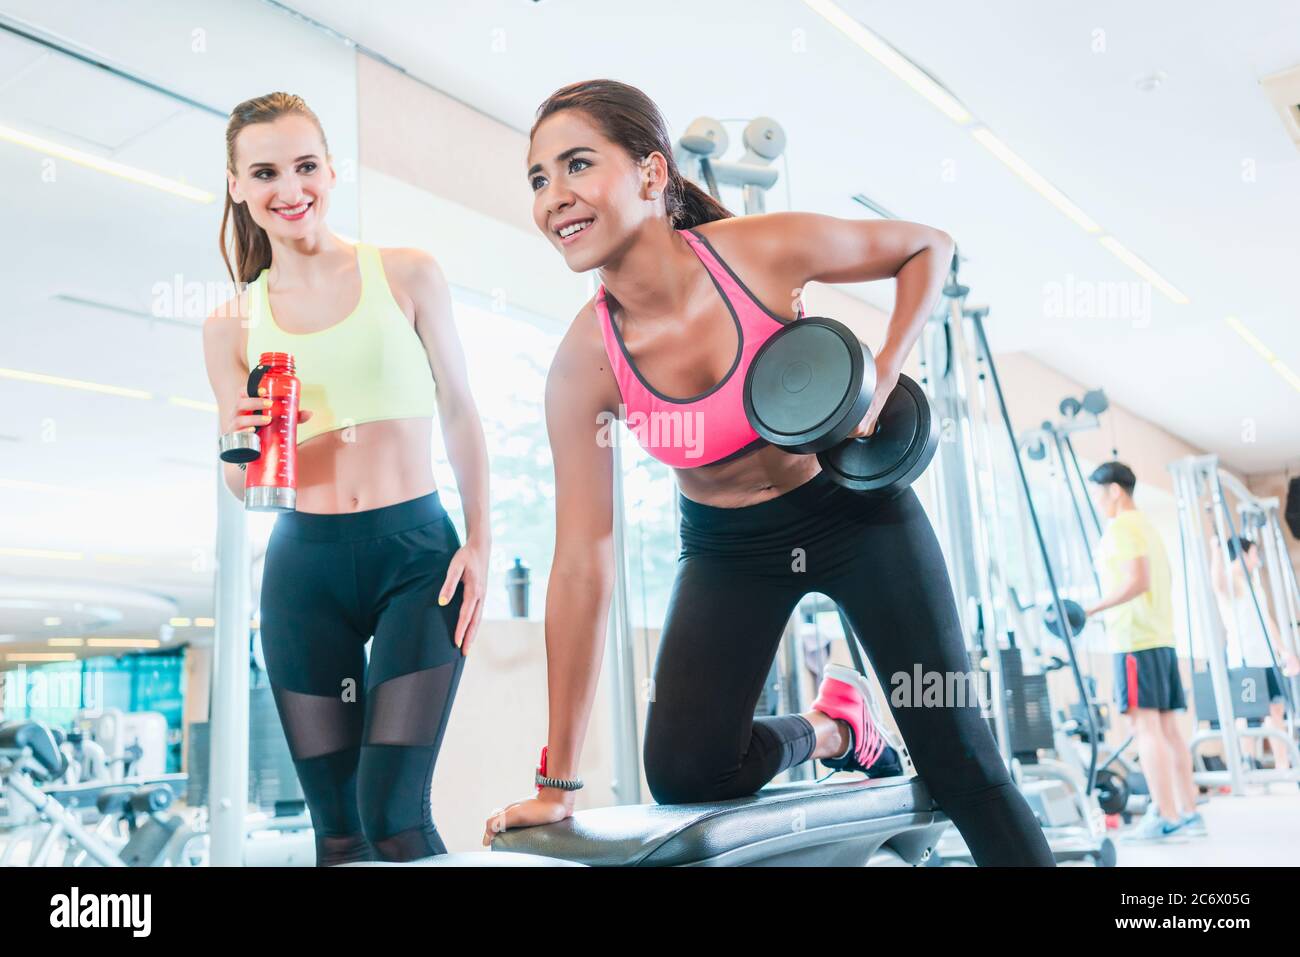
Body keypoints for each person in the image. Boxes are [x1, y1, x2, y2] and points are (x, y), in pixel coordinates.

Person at [483, 79, 1055, 866]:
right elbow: (583, 563)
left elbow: (929, 246)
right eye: (539, 179)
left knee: (962, 762)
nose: (555, 196)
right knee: (685, 772)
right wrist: (557, 781)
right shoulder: (585, 363)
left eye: (577, 164)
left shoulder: (756, 252)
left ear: (652, 174)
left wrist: (884, 368)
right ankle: (836, 727)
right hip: (726, 548)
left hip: (854, 515)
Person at [202, 92, 490, 865]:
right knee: (338, 829)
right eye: (264, 172)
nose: (289, 188)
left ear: (332, 171)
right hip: (304, 565)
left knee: (391, 813)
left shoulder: (407, 274)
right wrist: (249, 434)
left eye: (305, 166)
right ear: (236, 185)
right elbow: (243, 488)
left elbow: (462, 411)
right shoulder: (231, 323)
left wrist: (482, 542)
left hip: (418, 555)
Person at [1083, 461, 1203, 841]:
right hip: (1160, 637)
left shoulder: (1122, 526)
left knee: (1144, 728)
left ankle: (1166, 814)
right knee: (1168, 729)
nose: (1098, 503)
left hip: (1136, 641)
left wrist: (1090, 609)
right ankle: (1189, 812)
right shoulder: (1148, 526)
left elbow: (1137, 581)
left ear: (1114, 491)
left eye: (1099, 494)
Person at [1210, 536, 1299, 770]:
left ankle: (1282, 764)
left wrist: (1284, 652)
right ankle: (1248, 763)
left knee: (1275, 710)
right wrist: (1216, 550)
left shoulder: (1253, 584)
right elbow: (1216, 582)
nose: (1257, 558)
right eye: (1254, 553)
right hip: (1244, 660)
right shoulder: (1230, 581)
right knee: (1247, 714)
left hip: (1266, 658)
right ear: (1244, 553)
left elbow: (1267, 622)